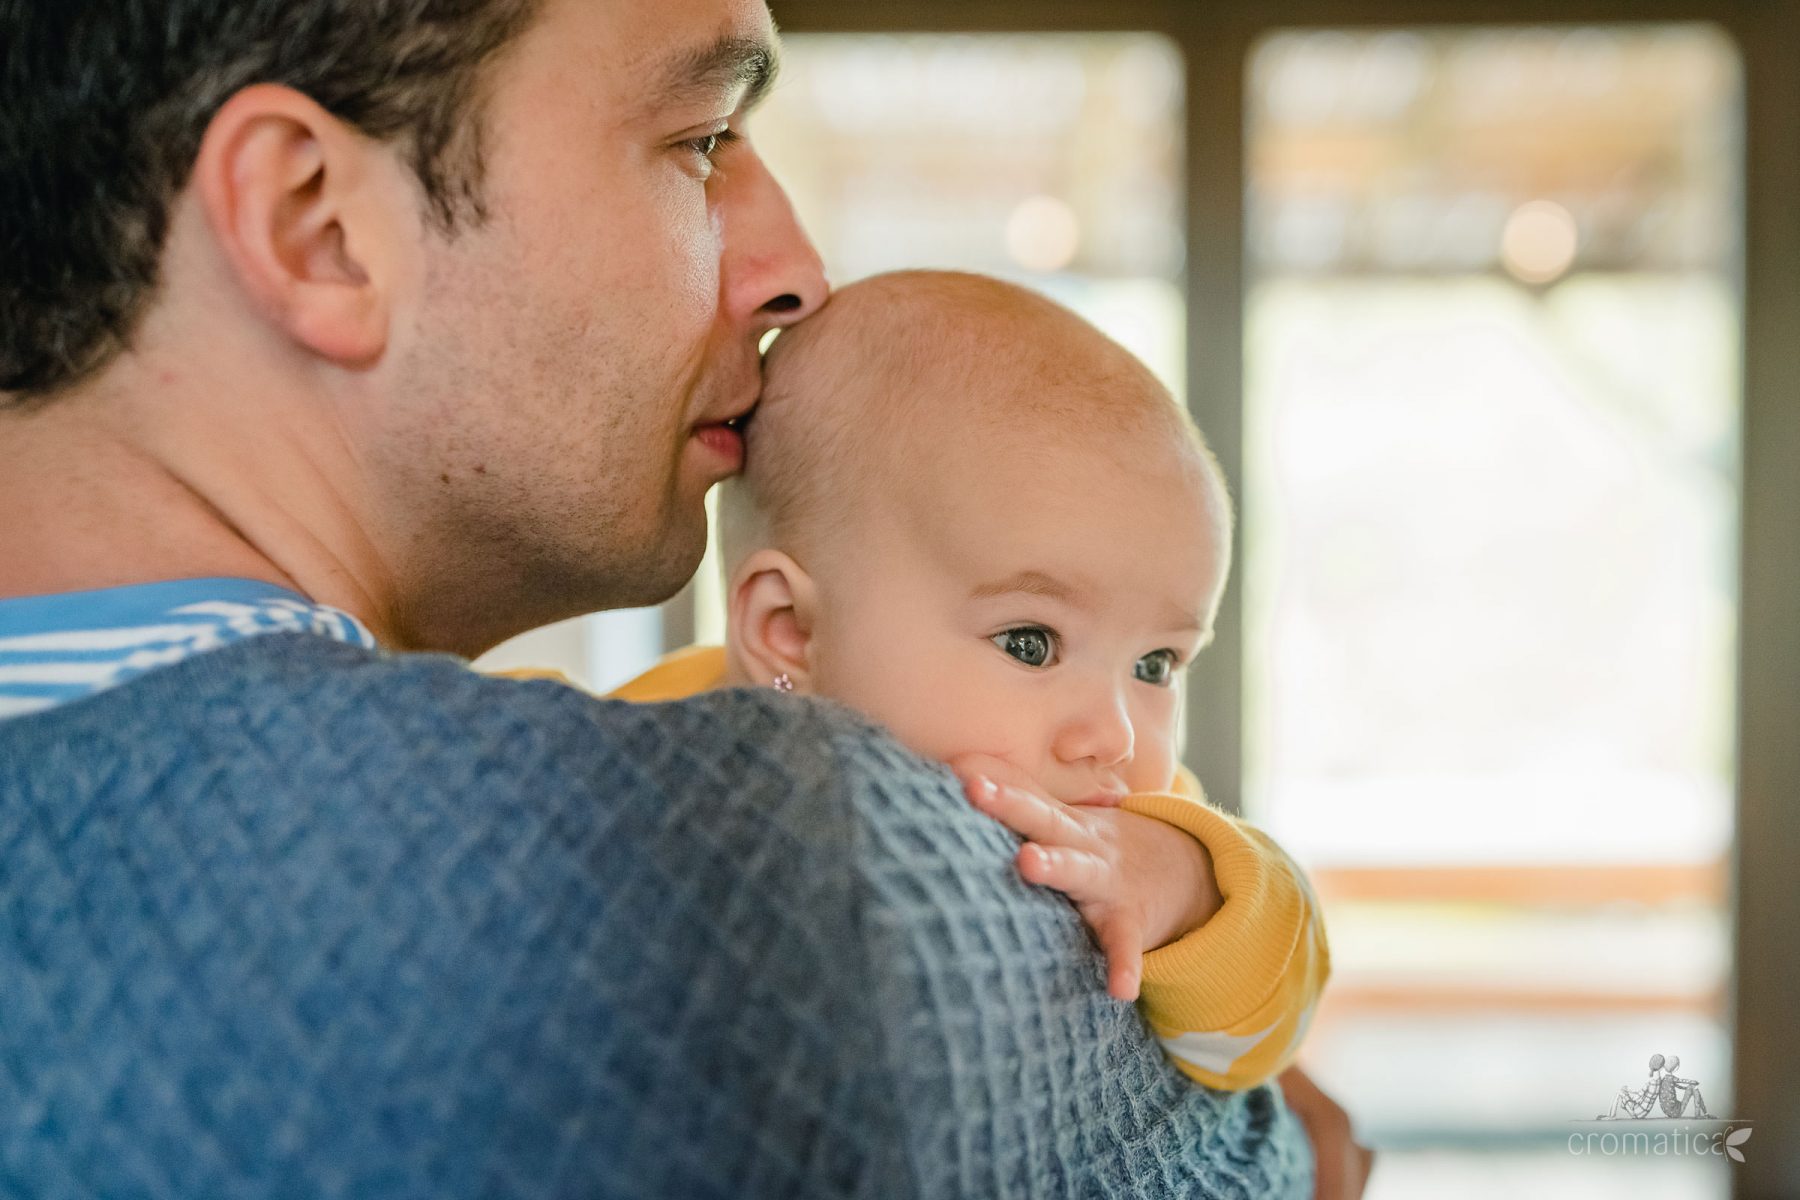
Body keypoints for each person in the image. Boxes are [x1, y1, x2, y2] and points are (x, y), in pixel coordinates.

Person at [0, 0, 1366, 1195]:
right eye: (701, 141)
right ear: (319, 225)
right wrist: (1266, 1143)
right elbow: (1278, 1156)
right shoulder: (751, 862)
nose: (797, 272)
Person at [586, 270, 1331, 1091]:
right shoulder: (600, 756)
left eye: (1156, 664)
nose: (1117, 734)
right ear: (790, 633)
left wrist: (1189, 894)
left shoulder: (1122, 837)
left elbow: (1262, 1036)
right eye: (1030, 642)